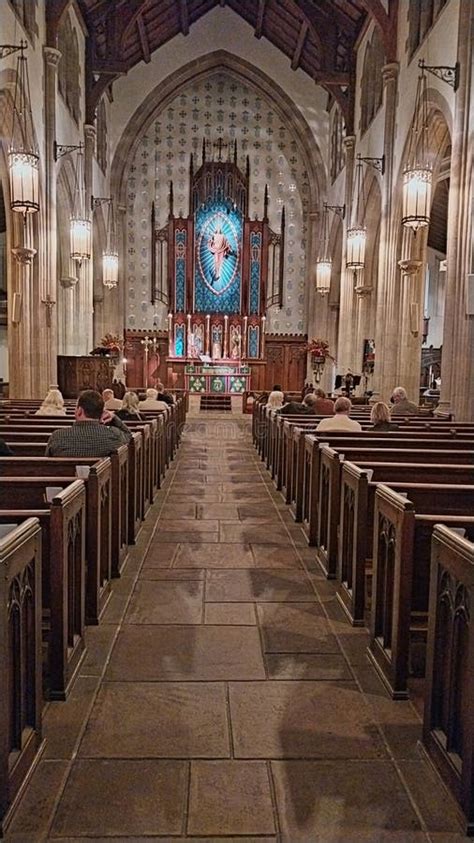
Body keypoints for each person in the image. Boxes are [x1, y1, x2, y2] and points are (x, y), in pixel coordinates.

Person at [45, 389, 132, 457]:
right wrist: (114, 417)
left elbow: (48, 465)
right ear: (101, 413)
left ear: (79, 411)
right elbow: (129, 437)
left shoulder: (58, 436)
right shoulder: (114, 435)